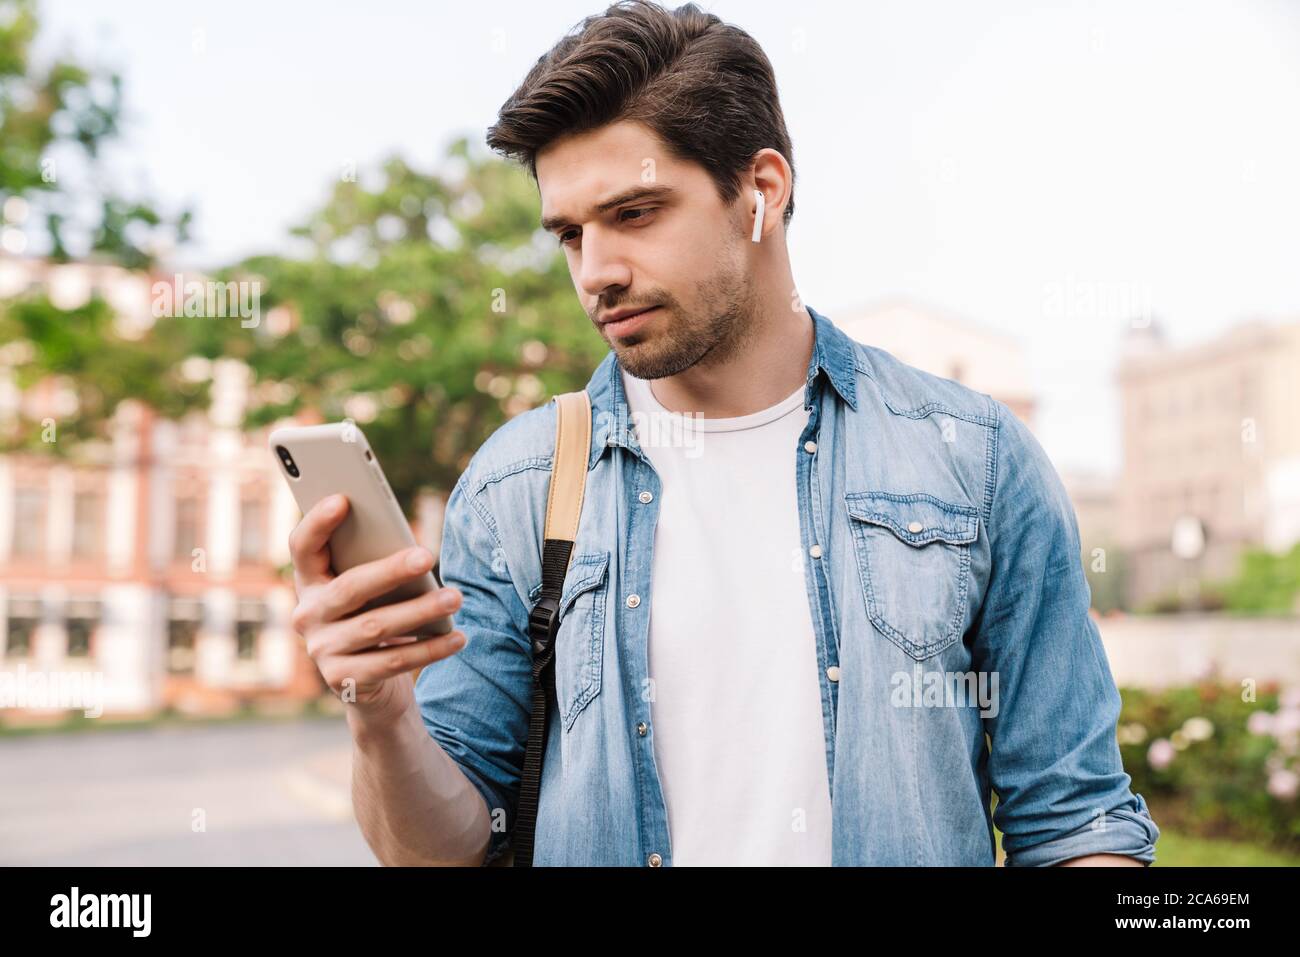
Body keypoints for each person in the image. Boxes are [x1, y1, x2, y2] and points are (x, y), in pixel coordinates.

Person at [287, 0, 1159, 866]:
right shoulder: (518, 484)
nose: (597, 273)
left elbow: (1075, 820)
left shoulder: (973, 458)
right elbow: (441, 851)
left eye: (635, 213)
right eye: (569, 234)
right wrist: (383, 715)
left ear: (761, 194)